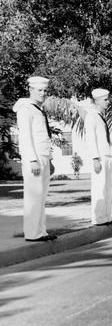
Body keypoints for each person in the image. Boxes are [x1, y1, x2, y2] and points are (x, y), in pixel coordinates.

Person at [13, 76, 56, 241]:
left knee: (41, 197)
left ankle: (41, 232)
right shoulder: (26, 109)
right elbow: (25, 137)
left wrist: (50, 159)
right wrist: (32, 160)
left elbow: (43, 136)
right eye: (39, 90)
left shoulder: (38, 109)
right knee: (34, 197)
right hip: (34, 158)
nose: (43, 93)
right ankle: (32, 234)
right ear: (30, 90)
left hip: (43, 156)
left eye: (45, 90)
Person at [85, 88, 112, 226]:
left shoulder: (100, 117)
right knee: (99, 188)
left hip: (107, 155)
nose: (108, 102)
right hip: (100, 157)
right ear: (97, 101)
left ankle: (106, 217)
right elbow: (91, 139)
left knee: (108, 188)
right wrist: (95, 158)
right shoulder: (91, 116)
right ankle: (98, 219)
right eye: (105, 100)